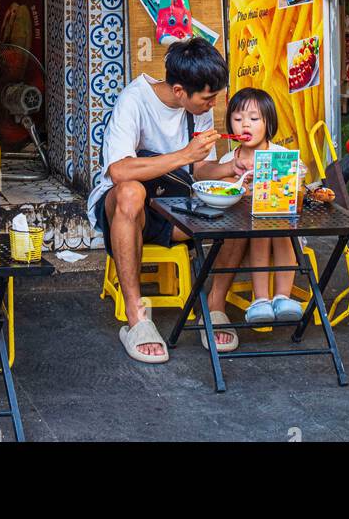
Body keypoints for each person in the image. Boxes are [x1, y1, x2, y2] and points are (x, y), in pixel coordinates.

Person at [88, 39, 249, 365]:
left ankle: (214, 307)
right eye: (207, 98)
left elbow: (199, 169)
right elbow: (119, 171)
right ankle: (136, 317)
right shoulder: (134, 100)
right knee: (132, 191)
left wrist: (230, 168)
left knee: (235, 194)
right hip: (126, 211)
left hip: (175, 205)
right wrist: (183, 155)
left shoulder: (198, 108)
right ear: (179, 91)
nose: (212, 104)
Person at [205, 88, 304, 325]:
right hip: (247, 234)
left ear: (268, 122)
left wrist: (295, 176)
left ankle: (282, 297)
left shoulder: (282, 155)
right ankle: (261, 300)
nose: (245, 125)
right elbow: (226, 197)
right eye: (238, 119)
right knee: (260, 229)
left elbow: (297, 188)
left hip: (284, 231)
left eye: (254, 119)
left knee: (277, 226)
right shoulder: (229, 161)